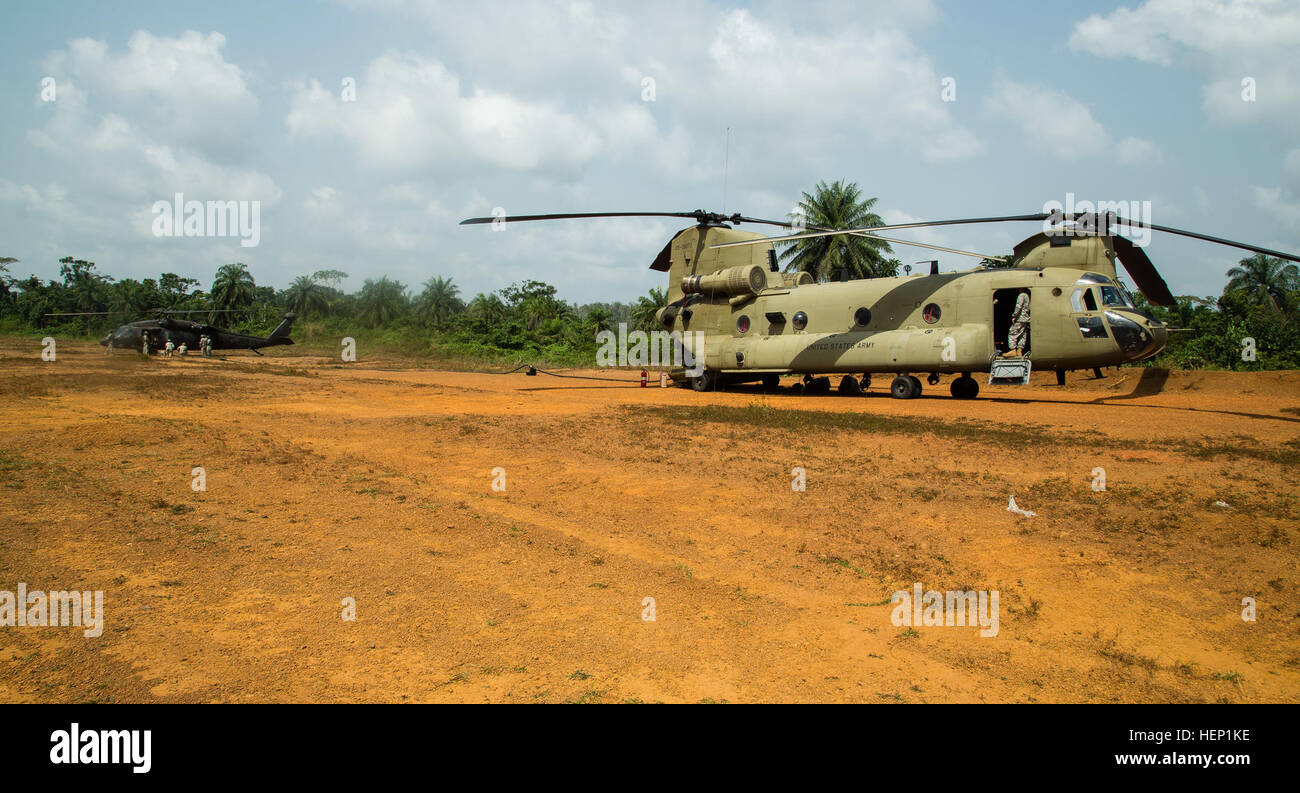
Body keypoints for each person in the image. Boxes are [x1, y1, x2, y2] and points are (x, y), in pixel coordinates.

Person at [1003, 288, 1031, 357]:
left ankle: (1012, 350)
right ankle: (1019, 350)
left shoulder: (1021, 295)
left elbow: (1018, 306)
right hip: (1026, 318)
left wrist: (1014, 316)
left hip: (1020, 318)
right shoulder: (1027, 296)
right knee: (1023, 334)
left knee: (1012, 333)